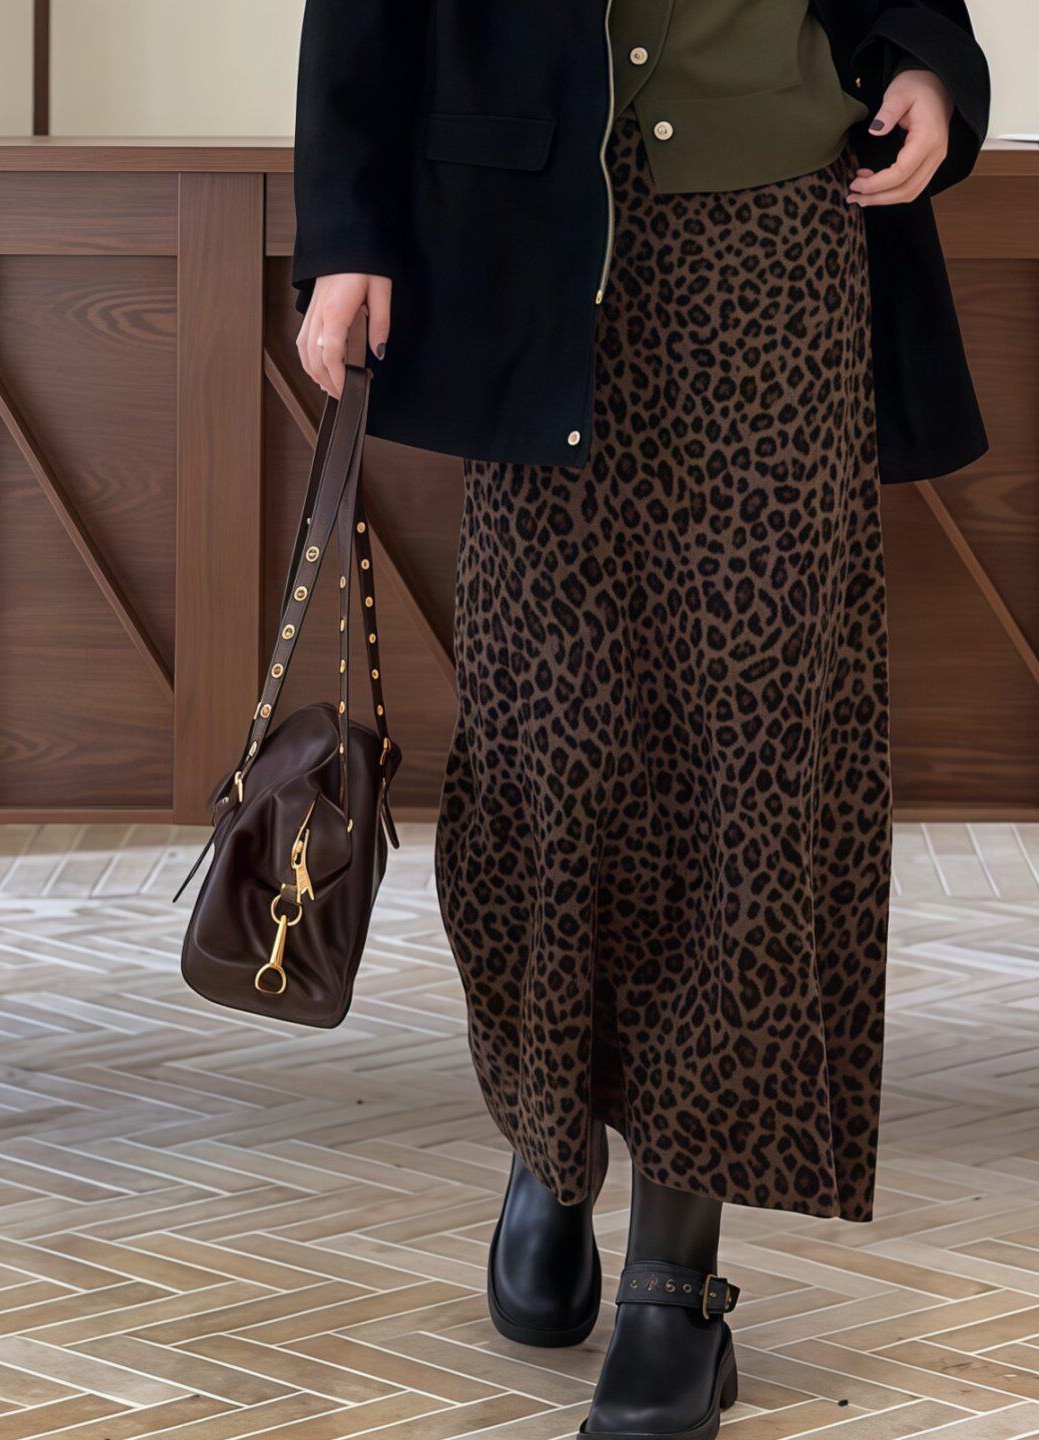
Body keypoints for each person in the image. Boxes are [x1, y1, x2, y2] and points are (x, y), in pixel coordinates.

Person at [291, 4, 989, 1436]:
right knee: (543, 753)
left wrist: (927, 60)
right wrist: (347, 227)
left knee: (754, 761)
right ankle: (549, 1142)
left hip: (780, 251)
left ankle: (677, 1275)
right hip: (537, 248)